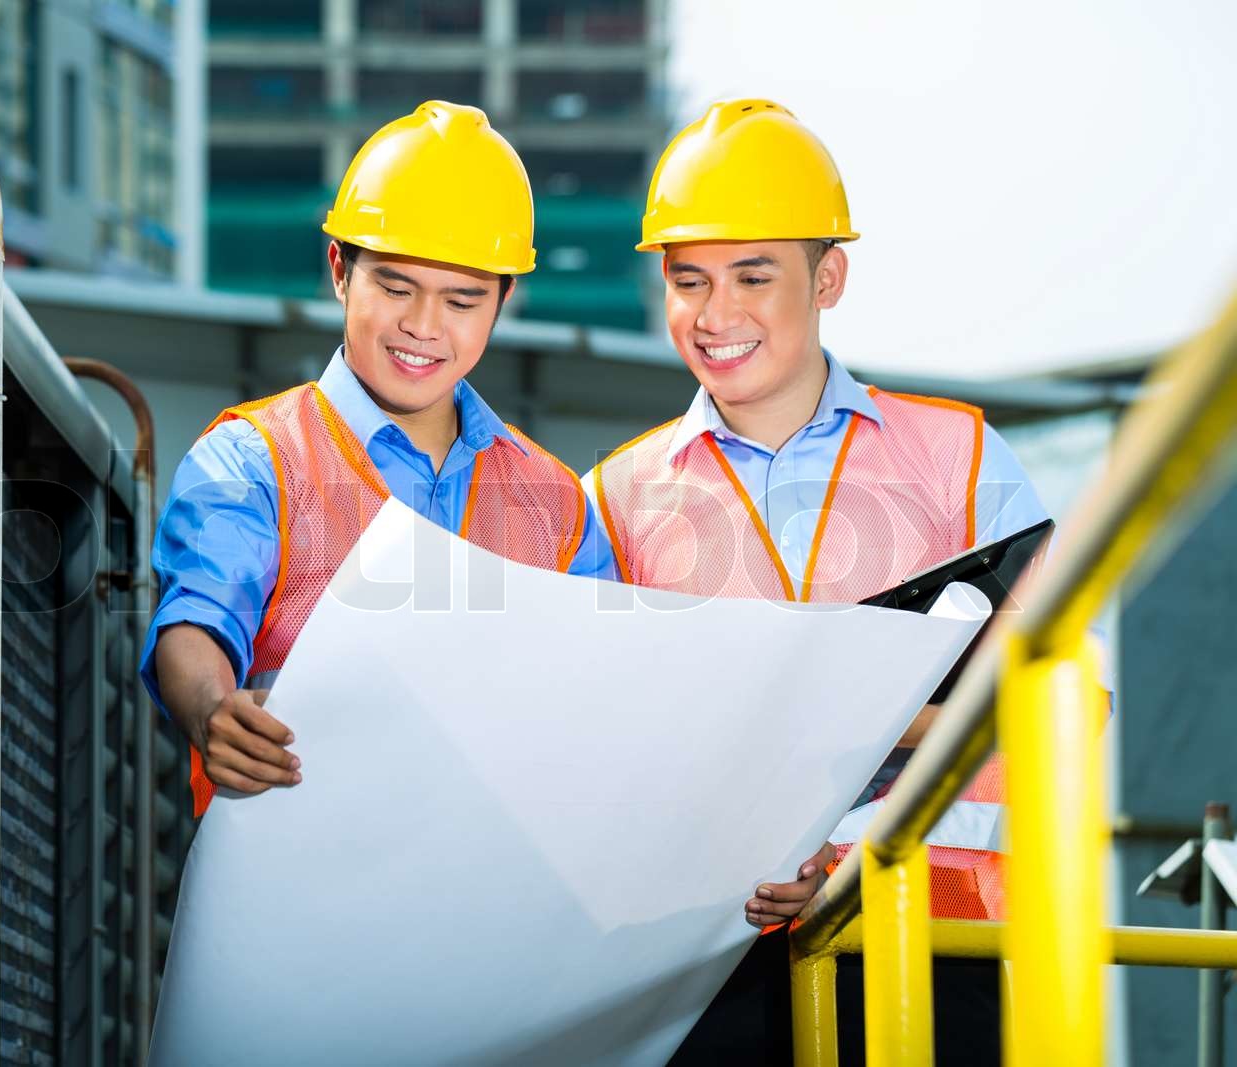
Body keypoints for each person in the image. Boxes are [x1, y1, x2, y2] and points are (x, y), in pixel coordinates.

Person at [589, 98, 1051, 1064]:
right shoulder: (619, 497)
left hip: (937, 949)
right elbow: (605, 749)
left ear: (827, 275)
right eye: (688, 279)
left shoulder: (957, 457)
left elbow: (1068, 695)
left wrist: (859, 736)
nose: (715, 315)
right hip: (709, 970)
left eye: (754, 276)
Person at [140, 100, 614, 818]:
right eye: (395, 287)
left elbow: (607, 697)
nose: (423, 327)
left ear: (504, 300)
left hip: (497, 899)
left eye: (462, 300)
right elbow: (198, 618)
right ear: (340, 269)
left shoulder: (557, 505)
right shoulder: (252, 460)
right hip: (286, 892)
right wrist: (211, 707)